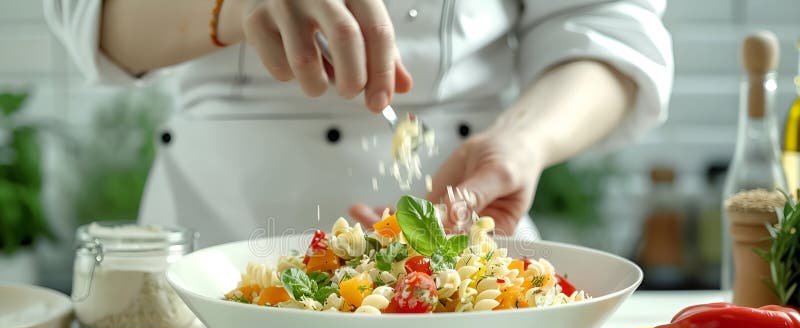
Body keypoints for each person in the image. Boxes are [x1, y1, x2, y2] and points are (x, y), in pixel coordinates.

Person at [45, 0, 672, 246]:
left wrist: (524, 139)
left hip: (465, 230)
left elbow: (609, 31)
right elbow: (84, 17)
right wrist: (232, 8)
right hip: (213, 237)